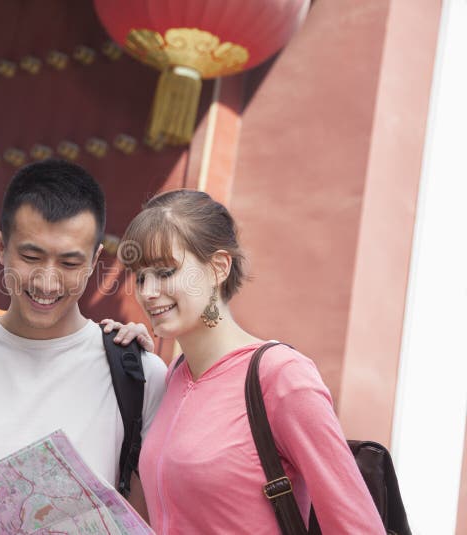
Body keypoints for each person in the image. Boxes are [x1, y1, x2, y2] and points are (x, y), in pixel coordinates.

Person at [119, 189, 385, 534]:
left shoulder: (281, 376)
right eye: (140, 277)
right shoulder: (175, 376)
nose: (148, 291)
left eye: (165, 271)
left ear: (218, 267)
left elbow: (358, 526)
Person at [0, 160, 167, 517]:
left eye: (69, 264)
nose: (47, 282)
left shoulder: (141, 376)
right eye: (31, 257)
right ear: (1, 247)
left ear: (95, 260)